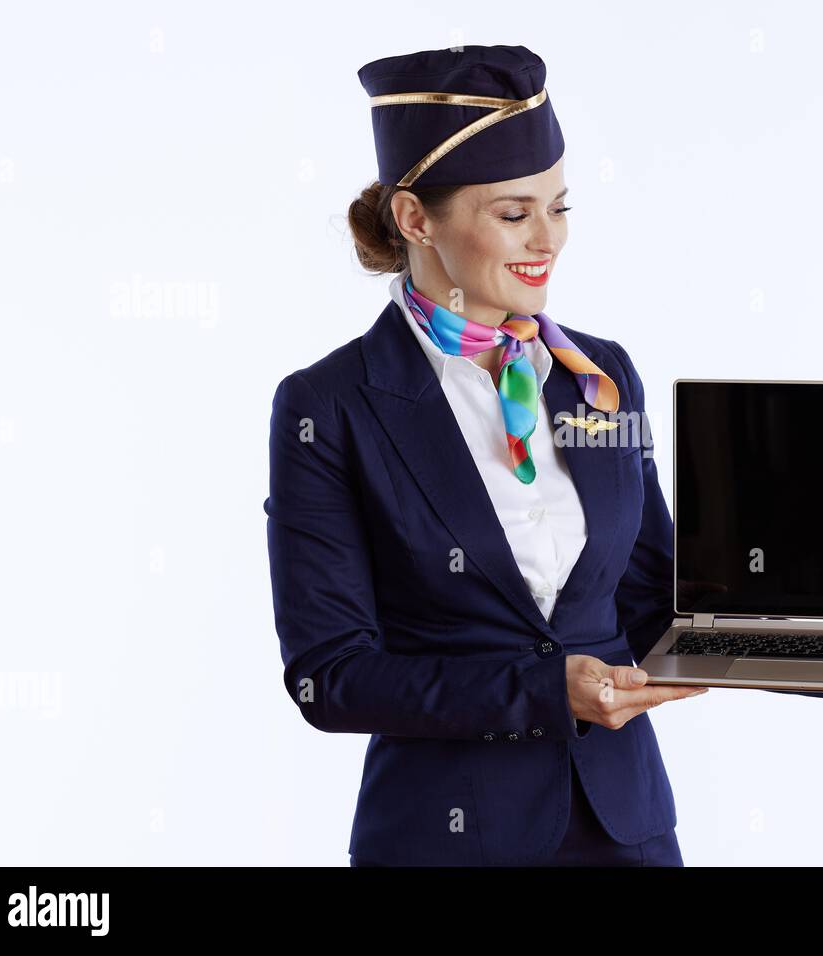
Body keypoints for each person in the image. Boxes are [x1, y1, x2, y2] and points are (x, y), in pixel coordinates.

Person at [263, 44, 706, 866]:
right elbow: (331, 675)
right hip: (444, 840)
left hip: (626, 835)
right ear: (413, 219)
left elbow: (652, 604)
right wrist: (546, 692)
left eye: (560, 207)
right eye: (514, 214)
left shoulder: (599, 378)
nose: (550, 240)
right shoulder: (329, 407)